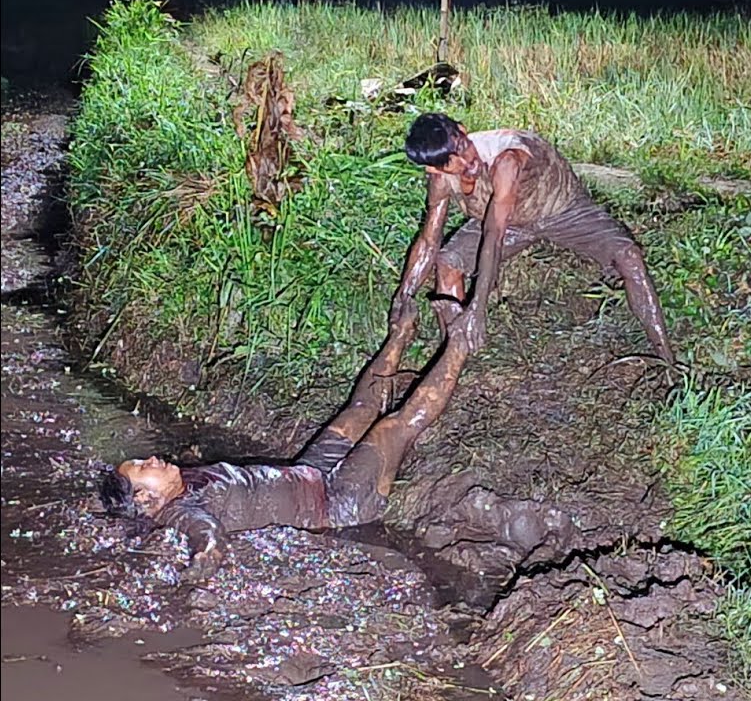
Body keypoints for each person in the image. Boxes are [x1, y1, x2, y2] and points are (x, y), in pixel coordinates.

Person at [100, 296, 476, 580]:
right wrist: (204, 560)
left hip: (309, 473)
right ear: (146, 498)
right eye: (142, 468)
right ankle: (462, 342)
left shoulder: (181, 483)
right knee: (394, 426)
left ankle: (401, 333)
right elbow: (208, 535)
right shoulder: (181, 512)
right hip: (337, 505)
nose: (150, 459)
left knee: (360, 409)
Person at [394, 112, 676, 363]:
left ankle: (667, 358)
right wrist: (404, 293)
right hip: (508, 221)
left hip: (560, 210)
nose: (466, 162)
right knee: (448, 262)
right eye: (450, 162)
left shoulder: (506, 158)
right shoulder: (441, 179)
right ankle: (453, 358)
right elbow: (429, 240)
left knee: (629, 256)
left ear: (463, 129)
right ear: (434, 168)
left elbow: (494, 235)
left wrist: (477, 308)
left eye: (462, 146)